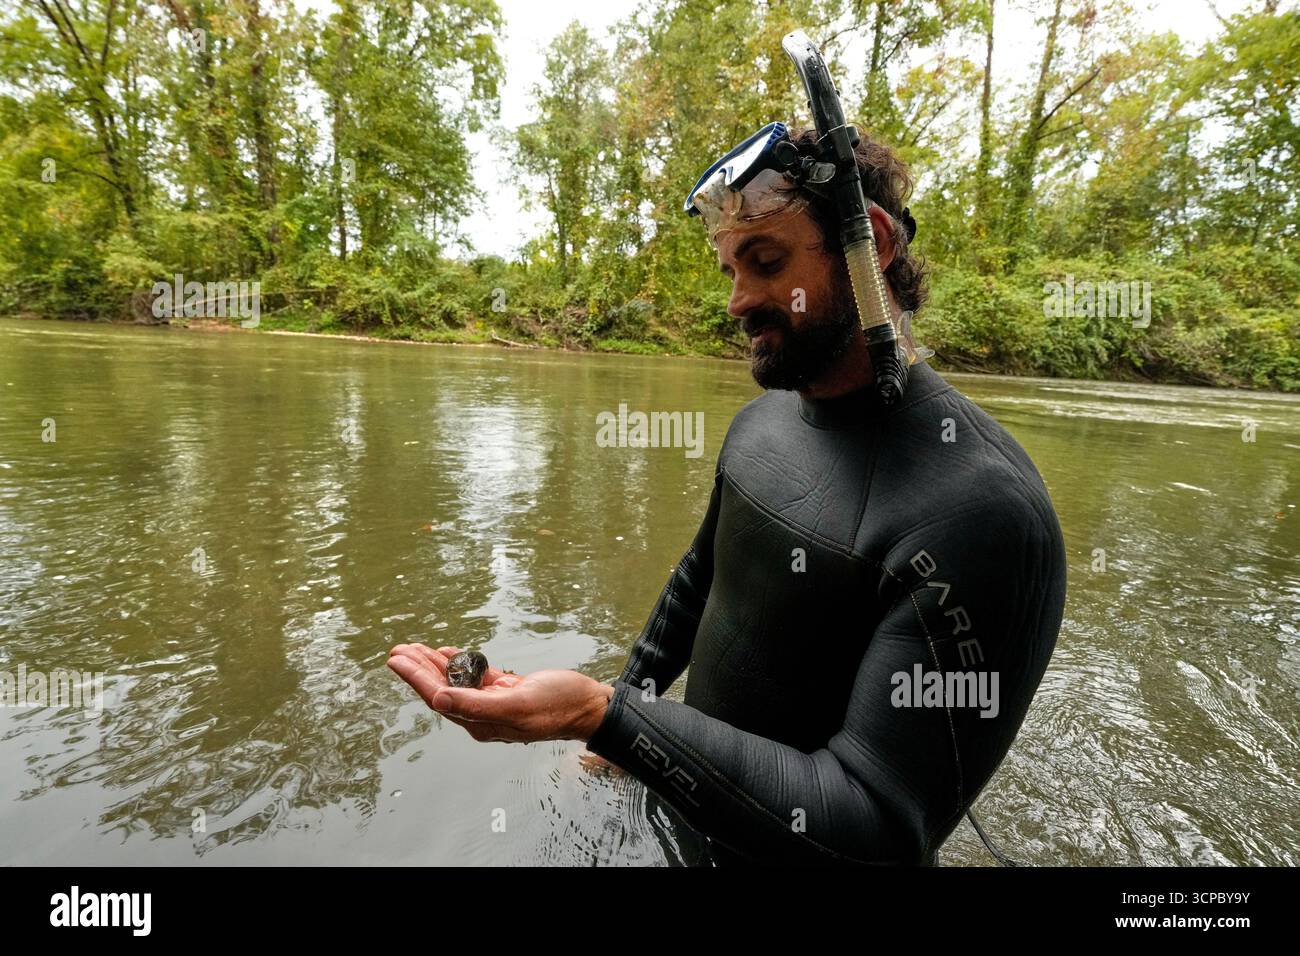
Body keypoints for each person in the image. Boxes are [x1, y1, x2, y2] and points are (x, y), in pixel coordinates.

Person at [388, 123, 1067, 866]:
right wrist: (610, 739)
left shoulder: (988, 515)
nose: (738, 300)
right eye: (729, 270)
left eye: (766, 261)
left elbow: (877, 825)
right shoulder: (761, 424)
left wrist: (604, 717)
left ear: (868, 245)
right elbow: (697, 581)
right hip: (679, 809)